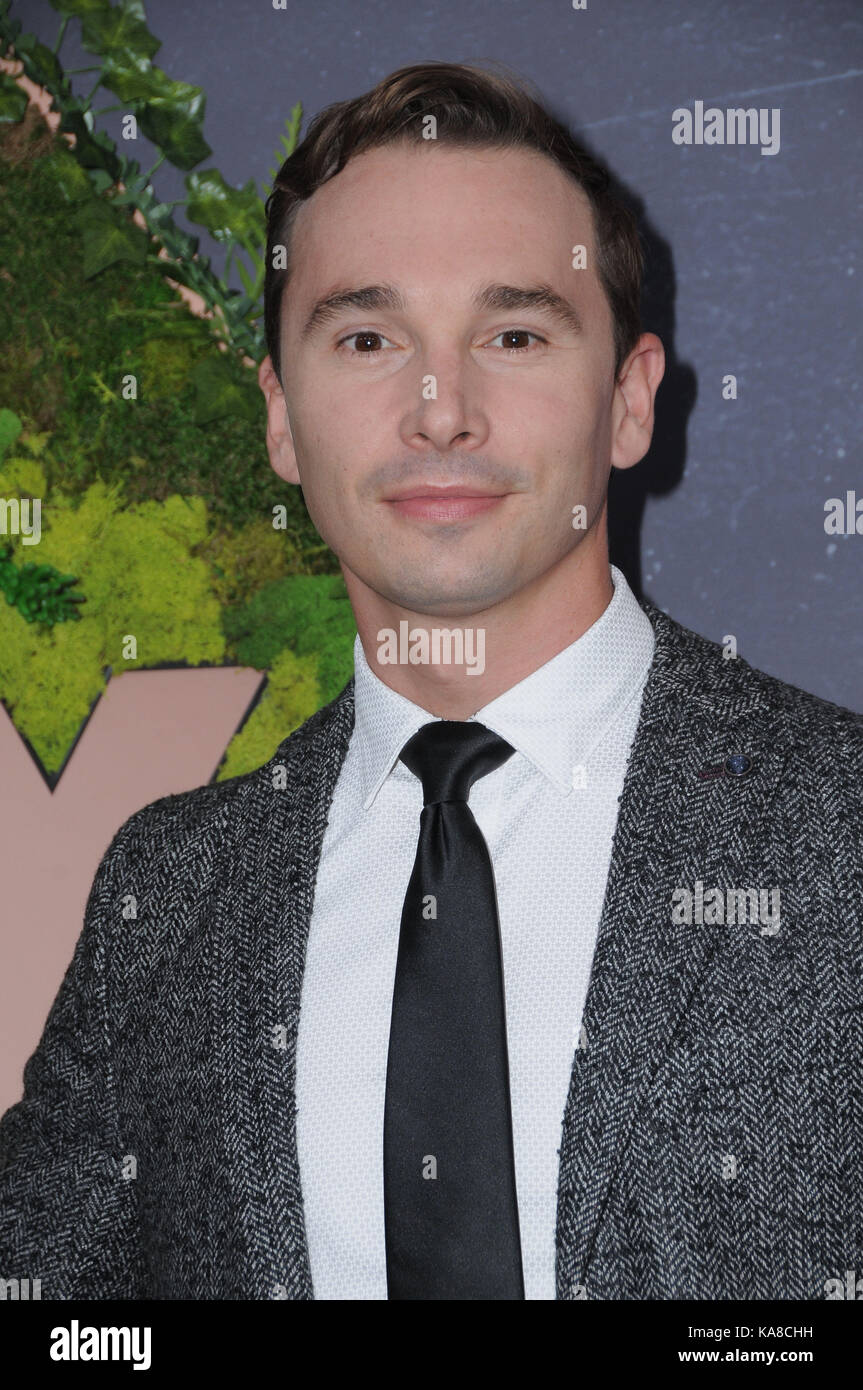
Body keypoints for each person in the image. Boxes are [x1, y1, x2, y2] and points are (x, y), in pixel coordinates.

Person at [1, 61, 860, 1301]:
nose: (438, 409)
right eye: (365, 337)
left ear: (628, 402)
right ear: (282, 421)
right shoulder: (167, 896)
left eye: (511, 334)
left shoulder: (837, 827)